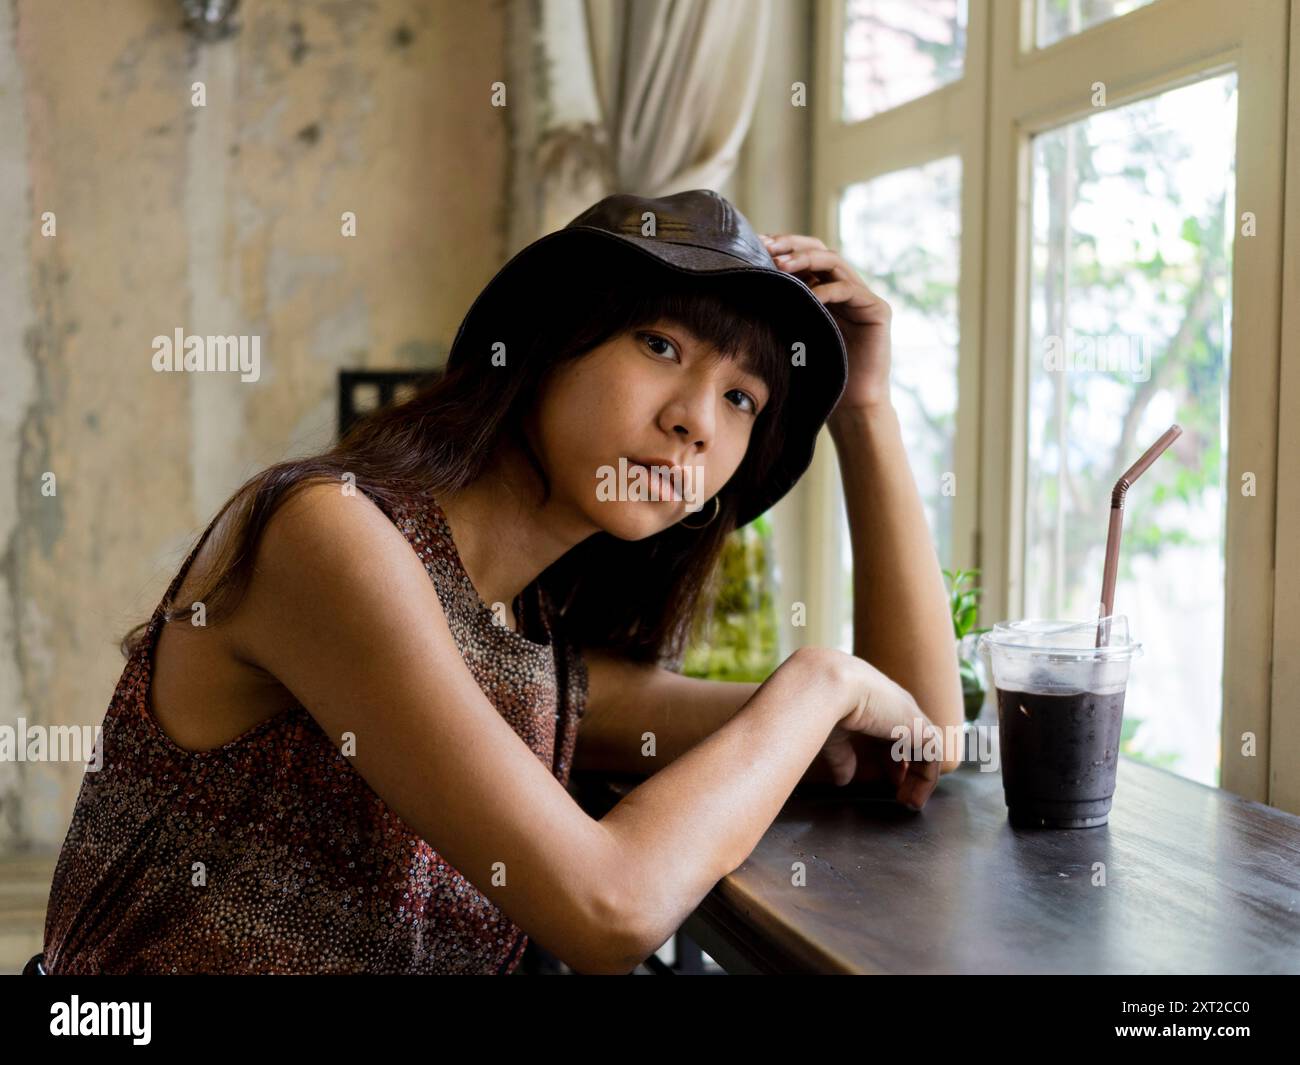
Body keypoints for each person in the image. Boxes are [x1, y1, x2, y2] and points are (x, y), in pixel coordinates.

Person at [32, 189, 962, 976]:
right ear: (549, 342)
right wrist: (819, 679)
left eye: (742, 398)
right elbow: (609, 908)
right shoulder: (329, 536)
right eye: (662, 345)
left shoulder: (535, 647)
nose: (695, 422)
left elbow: (921, 737)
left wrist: (864, 411)